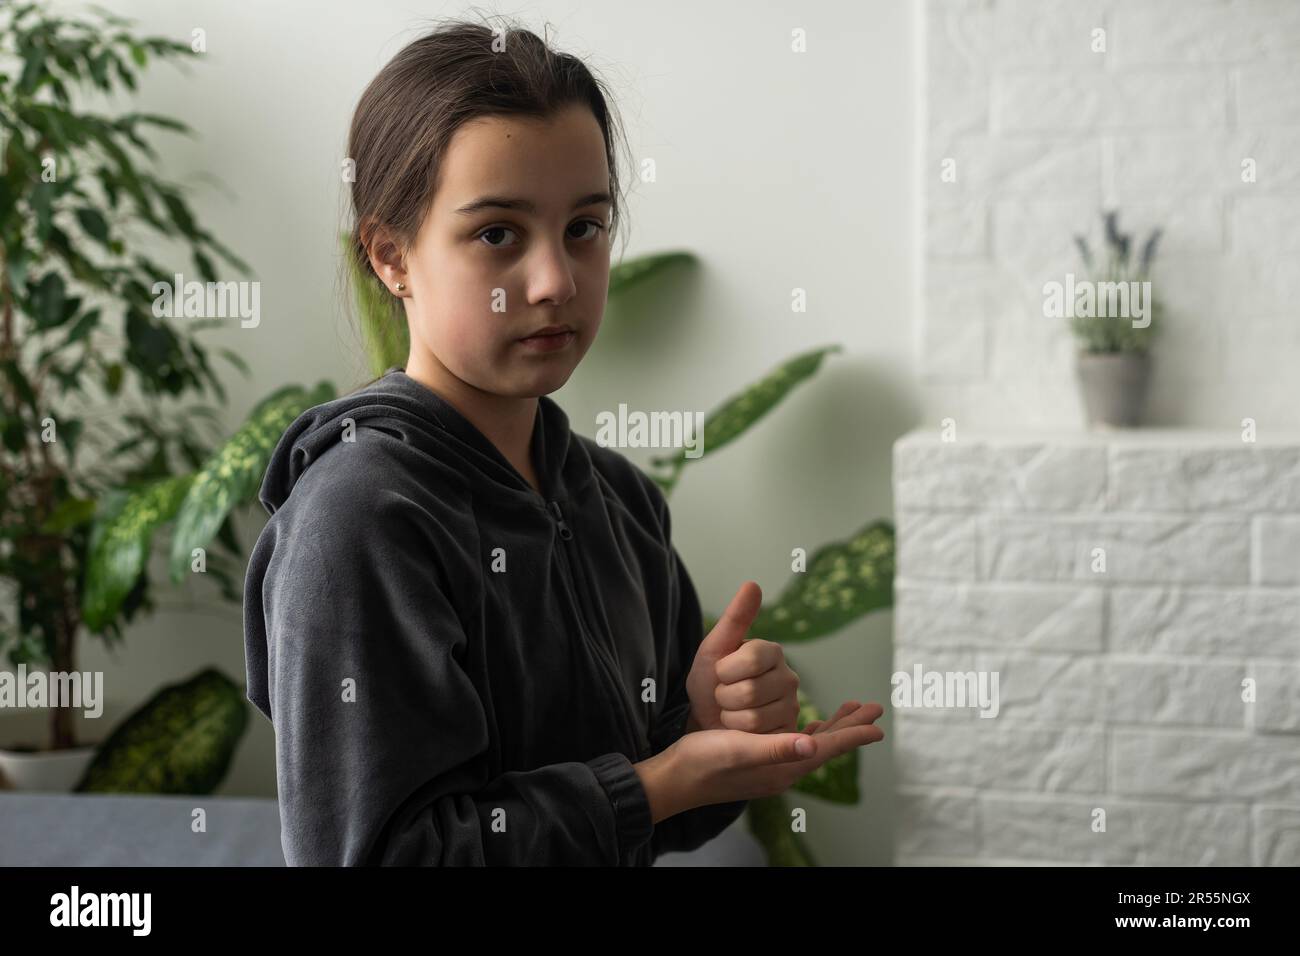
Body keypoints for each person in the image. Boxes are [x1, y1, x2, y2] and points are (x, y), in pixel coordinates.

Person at [242, 15, 884, 866]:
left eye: (585, 227)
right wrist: (658, 782)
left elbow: (652, 818)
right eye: (497, 233)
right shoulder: (359, 520)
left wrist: (707, 734)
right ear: (392, 257)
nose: (554, 281)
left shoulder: (617, 499)